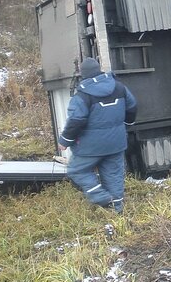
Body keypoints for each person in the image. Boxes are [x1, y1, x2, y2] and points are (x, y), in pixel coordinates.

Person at [57, 58, 137, 213]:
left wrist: (64, 141)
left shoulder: (82, 95)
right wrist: (127, 124)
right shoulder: (119, 88)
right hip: (116, 143)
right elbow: (132, 106)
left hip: (90, 147)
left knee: (76, 170)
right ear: (99, 69)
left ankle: (101, 197)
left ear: (83, 74)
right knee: (113, 175)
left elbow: (76, 120)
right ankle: (117, 210)